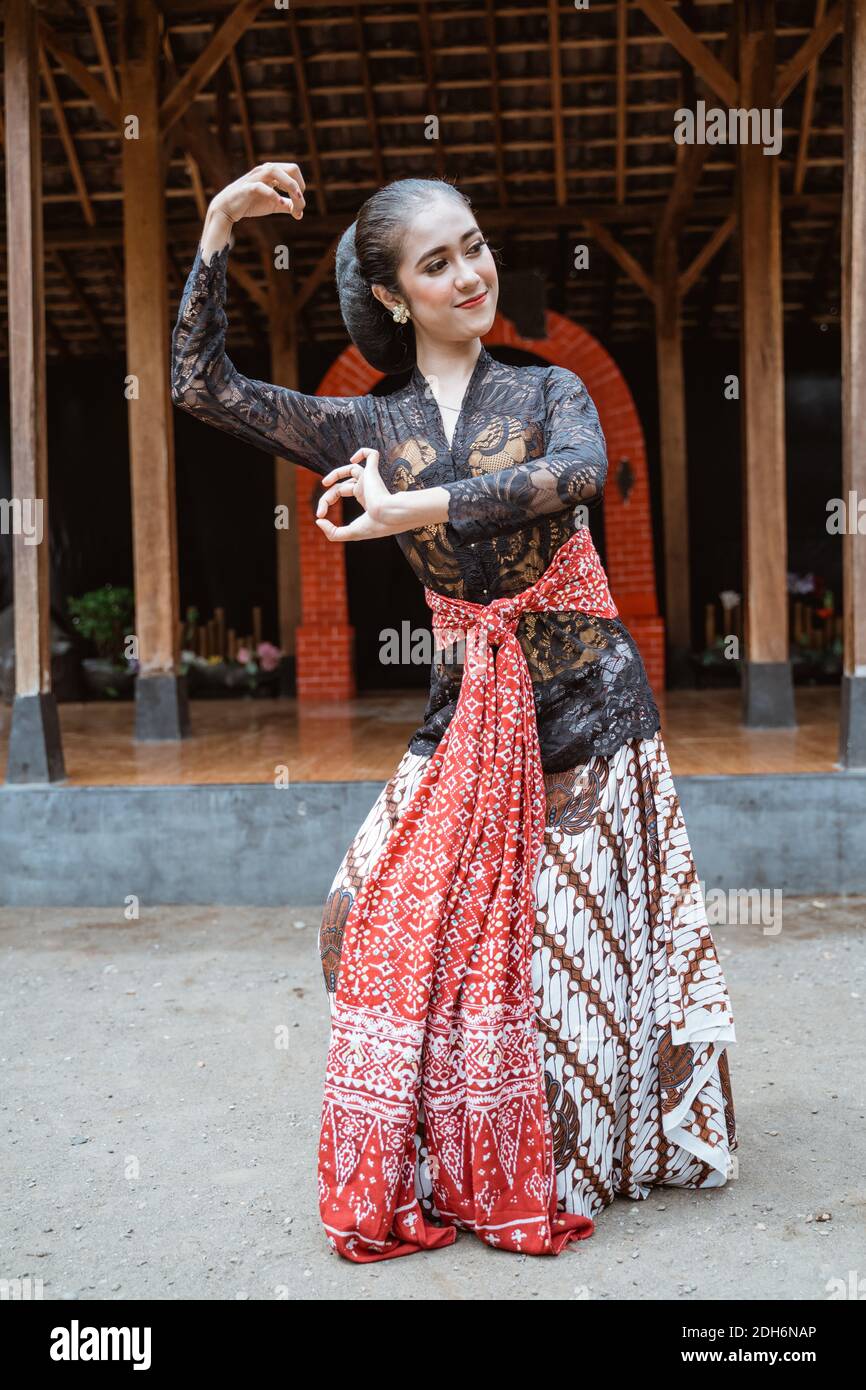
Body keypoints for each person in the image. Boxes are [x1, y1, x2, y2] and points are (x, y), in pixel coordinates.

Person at [170, 162, 738, 1263]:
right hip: (465, 709)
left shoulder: (543, 390)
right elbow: (202, 388)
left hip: (587, 705)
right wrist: (216, 227)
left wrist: (407, 509)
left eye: (472, 245)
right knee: (362, 910)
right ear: (392, 297)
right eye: (437, 262)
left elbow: (578, 475)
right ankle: (465, 1139)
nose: (470, 271)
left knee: (566, 951)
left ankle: (575, 1153)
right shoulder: (360, 425)